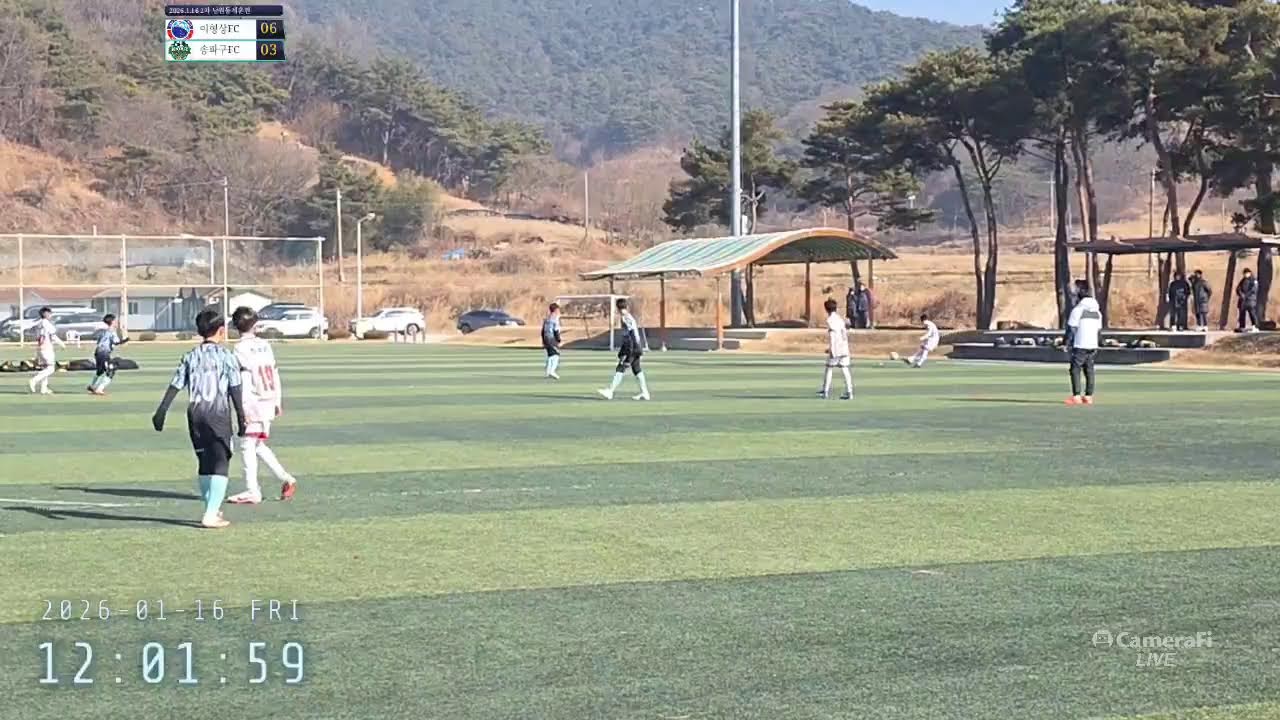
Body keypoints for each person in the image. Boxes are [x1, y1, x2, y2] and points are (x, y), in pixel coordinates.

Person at [151, 309, 247, 529]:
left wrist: (161, 411)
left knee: (204, 462)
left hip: (195, 414)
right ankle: (210, 514)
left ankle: (210, 508)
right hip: (218, 414)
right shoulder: (227, 356)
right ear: (221, 330)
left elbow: (176, 384)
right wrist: (242, 418)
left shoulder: (190, 355)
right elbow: (235, 388)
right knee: (221, 462)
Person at [228, 306, 298, 505]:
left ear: (235, 326)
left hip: (254, 402)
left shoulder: (240, 349)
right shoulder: (265, 345)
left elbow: (245, 380)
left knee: (247, 444)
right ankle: (286, 478)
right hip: (268, 399)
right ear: (255, 325)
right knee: (257, 444)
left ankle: (252, 491)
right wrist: (277, 400)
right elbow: (274, 373)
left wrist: (243, 411)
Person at [597, 298, 650, 401]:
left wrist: (628, 351)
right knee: (637, 369)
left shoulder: (625, 318)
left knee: (621, 367)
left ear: (617, 308)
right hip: (636, 346)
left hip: (633, 347)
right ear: (626, 307)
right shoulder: (627, 317)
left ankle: (610, 391)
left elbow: (631, 336)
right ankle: (645, 392)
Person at [1065, 280, 1103, 406]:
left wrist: (1066, 343)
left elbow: (1071, 328)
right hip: (1092, 345)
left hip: (1080, 344)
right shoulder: (1097, 311)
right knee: (1089, 370)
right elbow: (1099, 330)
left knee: (1075, 369)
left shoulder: (1078, 310)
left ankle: (1076, 396)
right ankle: (1088, 396)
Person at [818, 298, 853, 400]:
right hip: (844, 347)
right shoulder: (840, 319)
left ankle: (825, 391)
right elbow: (844, 334)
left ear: (826, 309)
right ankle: (849, 391)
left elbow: (833, 336)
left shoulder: (830, 321)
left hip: (836, 348)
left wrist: (831, 349)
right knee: (845, 369)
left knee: (829, 368)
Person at [28, 307, 67, 396]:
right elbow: (52, 336)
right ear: (45, 314)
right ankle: (34, 380)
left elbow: (32, 331)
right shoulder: (47, 324)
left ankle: (43, 389)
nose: (51, 315)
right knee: (51, 368)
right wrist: (62, 344)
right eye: (49, 313)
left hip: (40, 348)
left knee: (45, 368)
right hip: (47, 348)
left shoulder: (38, 323)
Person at [87, 313, 129, 395]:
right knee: (111, 371)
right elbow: (116, 342)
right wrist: (125, 340)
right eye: (116, 320)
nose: (117, 322)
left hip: (98, 352)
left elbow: (98, 340)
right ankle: (99, 389)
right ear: (112, 322)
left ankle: (92, 386)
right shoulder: (112, 331)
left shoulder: (103, 331)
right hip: (104, 353)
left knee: (100, 371)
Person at [542, 303, 562, 380]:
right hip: (551, 338)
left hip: (546, 338)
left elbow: (543, 330)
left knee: (550, 355)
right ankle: (552, 371)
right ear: (556, 310)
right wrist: (558, 339)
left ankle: (548, 372)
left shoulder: (547, 318)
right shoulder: (555, 318)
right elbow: (556, 330)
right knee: (556, 355)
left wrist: (543, 340)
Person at [1236, 268, 1259, 332]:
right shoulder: (1242, 280)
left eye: (1246, 273)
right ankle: (1242, 326)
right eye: (1244, 273)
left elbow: (1253, 290)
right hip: (1242, 300)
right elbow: (1238, 288)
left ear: (1249, 273)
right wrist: (1241, 294)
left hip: (1250, 300)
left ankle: (1255, 326)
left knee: (1252, 313)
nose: (1245, 275)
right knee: (1242, 314)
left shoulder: (1254, 280)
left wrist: (1246, 295)